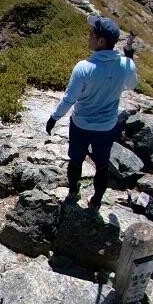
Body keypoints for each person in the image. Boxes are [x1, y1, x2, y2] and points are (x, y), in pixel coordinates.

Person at [45, 14, 137, 208]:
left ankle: (73, 191)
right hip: (107, 126)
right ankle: (96, 201)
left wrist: (54, 117)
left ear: (101, 41)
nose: (88, 36)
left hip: (81, 124)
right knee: (102, 165)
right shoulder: (125, 66)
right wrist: (129, 59)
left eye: (91, 34)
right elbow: (131, 85)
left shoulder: (84, 68)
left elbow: (69, 99)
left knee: (76, 160)